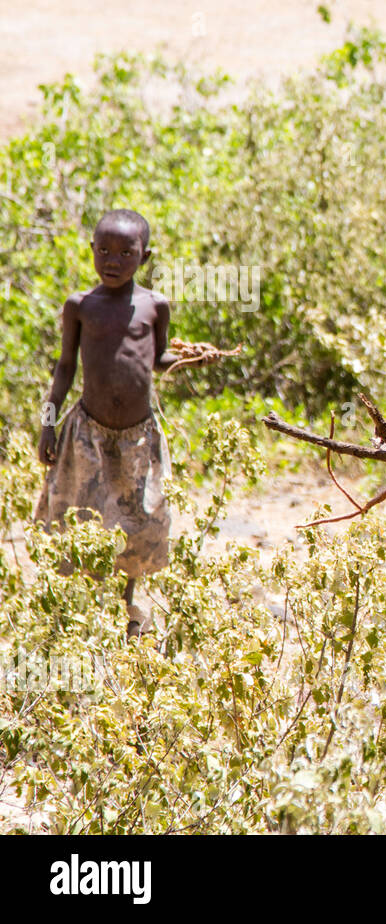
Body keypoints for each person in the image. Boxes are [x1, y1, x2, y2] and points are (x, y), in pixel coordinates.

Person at [36, 209, 178, 638]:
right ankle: (78, 615)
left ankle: (127, 602)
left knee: (143, 519)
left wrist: (190, 358)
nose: (113, 261)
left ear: (145, 256)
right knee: (80, 517)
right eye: (104, 251)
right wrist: (48, 423)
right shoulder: (81, 306)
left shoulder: (155, 306)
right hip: (88, 433)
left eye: (126, 253)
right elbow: (63, 368)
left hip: (139, 436)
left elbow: (158, 359)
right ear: (92, 251)